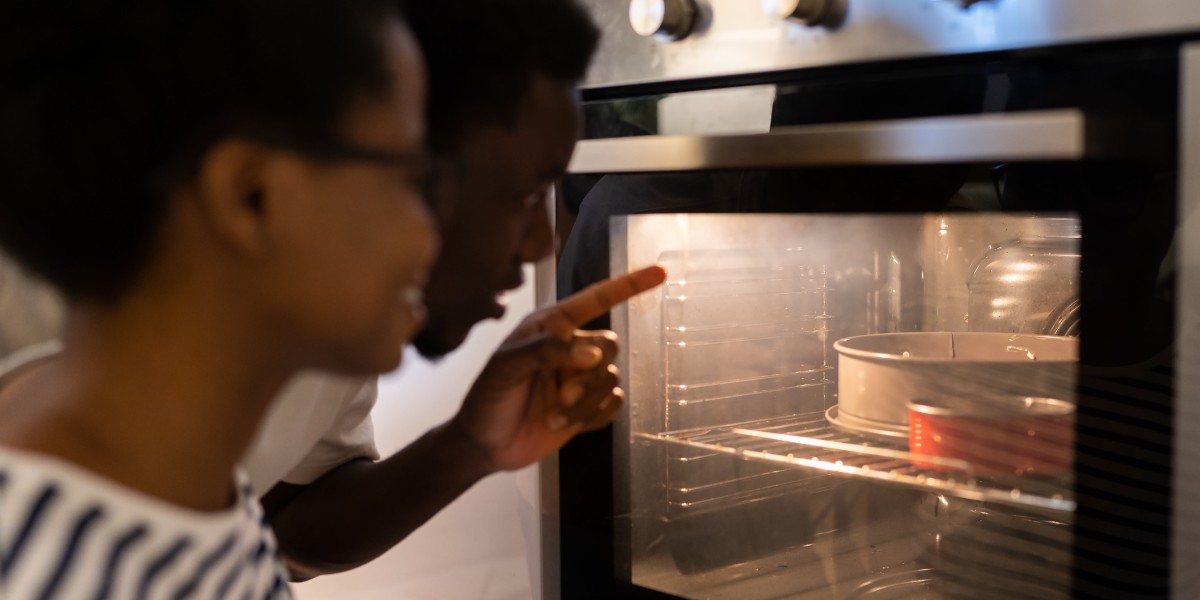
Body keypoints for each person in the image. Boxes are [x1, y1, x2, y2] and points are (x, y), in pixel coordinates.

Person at [0, 1, 437, 597]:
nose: (428, 234)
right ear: (250, 195)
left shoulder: (202, 491)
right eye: (408, 179)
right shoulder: (41, 566)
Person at [242, 0, 669, 581]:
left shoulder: (349, 323)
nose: (543, 246)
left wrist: (470, 446)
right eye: (521, 195)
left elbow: (281, 531)